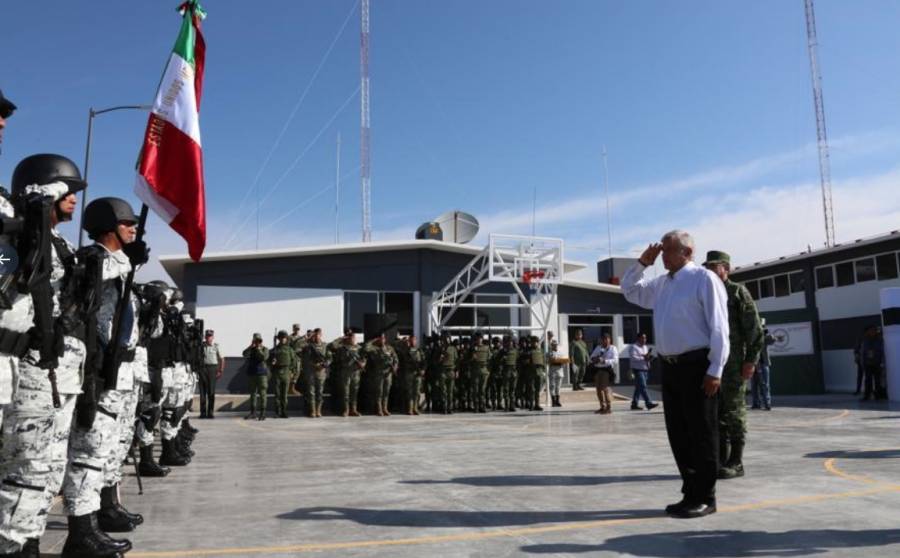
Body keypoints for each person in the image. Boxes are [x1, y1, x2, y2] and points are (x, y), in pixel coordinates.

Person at [0, 156, 96, 558]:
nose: (74, 199)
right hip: (24, 366)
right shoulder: (17, 232)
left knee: (44, 467)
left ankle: (28, 542)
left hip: (51, 368)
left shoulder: (58, 244)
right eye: (68, 191)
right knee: (26, 468)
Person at [61, 196, 149, 555]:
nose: (134, 228)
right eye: (128, 223)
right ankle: (81, 530)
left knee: (107, 447)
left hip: (120, 370)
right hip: (97, 371)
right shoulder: (95, 261)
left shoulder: (120, 267)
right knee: (88, 450)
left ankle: (98, 514)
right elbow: (95, 319)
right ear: (109, 226)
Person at [621, 230, 729, 519]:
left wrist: (715, 369)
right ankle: (690, 492)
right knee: (679, 434)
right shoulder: (662, 284)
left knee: (702, 433)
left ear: (688, 253)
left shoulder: (704, 280)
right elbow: (630, 291)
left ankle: (706, 496)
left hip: (697, 366)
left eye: (668, 251)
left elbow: (719, 328)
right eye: (662, 250)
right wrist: (642, 264)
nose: (663, 256)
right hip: (670, 366)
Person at [703, 251, 763, 481]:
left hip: (735, 362)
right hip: (712, 362)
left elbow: (754, 330)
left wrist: (751, 360)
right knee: (716, 411)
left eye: (713, 266)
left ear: (726, 268)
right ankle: (720, 460)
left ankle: (736, 461)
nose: (709, 270)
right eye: (707, 266)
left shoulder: (737, 292)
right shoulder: (707, 293)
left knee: (734, 410)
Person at [366, 333, 398, 416]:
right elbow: (366, 348)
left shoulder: (389, 348)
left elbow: (395, 359)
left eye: (383, 338)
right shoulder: (374, 348)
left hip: (388, 373)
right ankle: (379, 409)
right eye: (380, 338)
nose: (382, 340)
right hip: (378, 373)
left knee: (386, 392)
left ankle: (385, 408)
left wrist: (395, 366)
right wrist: (373, 340)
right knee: (379, 392)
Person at [301, 328, 331, 418]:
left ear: (321, 335)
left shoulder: (325, 346)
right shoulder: (309, 346)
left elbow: (329, 357)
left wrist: (324, 364)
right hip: (311, 371)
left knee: (320, 392)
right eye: (315, 335)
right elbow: (305, 357)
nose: (316, 336)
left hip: (321, 372)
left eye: (318, 335)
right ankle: (313, 411)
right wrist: (314, 364)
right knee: (311, 392)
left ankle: (319, 410)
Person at [269, 330, 298, 418]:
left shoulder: (290, 350)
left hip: (286, 372)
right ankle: (278, 411)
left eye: (284, 338)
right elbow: (268, 361)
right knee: (277, 394)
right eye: (281, 338)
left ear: (286, 339)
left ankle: (284, 411)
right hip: (277, 372)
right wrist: (272, 362)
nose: (283, 340)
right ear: (278, 339)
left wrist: (292, 372)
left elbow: (294, 361)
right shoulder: (274, 350)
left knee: (284, 394)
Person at [242, 333, 269, 420]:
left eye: (259, 340)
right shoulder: (251, 349)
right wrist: (251, 346)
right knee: (253, 393)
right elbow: (244, 354)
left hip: (262, 374)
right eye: (255, 340)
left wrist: (259, 349)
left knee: (262, 394)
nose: (257, 342)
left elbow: (264, 357)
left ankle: (263, 412)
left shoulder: (265, 349)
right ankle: (253, 412)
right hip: (252, 373)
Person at [397, 335, 426, 415]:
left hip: (418, 373)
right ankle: (410, 408)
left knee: (416, 392)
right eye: (411, 340)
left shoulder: (419, 350)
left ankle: (415, 408)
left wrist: (423, 370)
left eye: (414, 340)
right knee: (409, 392)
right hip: (409, 373)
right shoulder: (406, 351)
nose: (413, 342)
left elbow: (424, 361)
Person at [628, 333, 658, 411]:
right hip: (637, 370)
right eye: (642, 338)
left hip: (645, 369)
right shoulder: (633, 347)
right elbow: (633, 358)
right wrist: (643, 357)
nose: (644, 340)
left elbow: (646, 357)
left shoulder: (645, 347)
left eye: (645, 338)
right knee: (643, 386)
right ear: (638, 338)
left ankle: (634, 404)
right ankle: (648, 403)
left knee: (639, 388)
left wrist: (649, 360)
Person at [590, 334, 618, 414]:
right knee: (598, 389)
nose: (604, 341)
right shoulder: (598, 347)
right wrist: (595, 359)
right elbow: (591, 357)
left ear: (610, 339)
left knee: (605, 388)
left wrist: (605, 361)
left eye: (606, 339)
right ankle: (602, 406)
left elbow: (615, 360)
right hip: (598, 370)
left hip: (606, 370)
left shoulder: (613, 348)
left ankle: (608, 407)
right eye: (603, 339)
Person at [198, 329, 223, 418]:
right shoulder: (201, 346)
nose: (208, 338)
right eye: (207, 336)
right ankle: (203, 412)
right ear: (205, 337)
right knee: (202, 392)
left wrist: (220, 370)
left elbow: (222, 359)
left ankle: (210, 412)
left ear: (213, 337)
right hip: (203, 369)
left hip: (213, 369)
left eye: (210, 336)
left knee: (211, 392)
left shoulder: (216, 346)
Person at [751, 325, 776, 410]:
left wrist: (765, 332)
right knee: (754, 385)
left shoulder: (764, 338)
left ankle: (767, 404)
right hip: (753, 364)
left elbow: (772, 340)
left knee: (765, 384)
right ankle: (756, 403)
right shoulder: (752, 337)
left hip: (763, 363)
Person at [859, 325, 886, 401]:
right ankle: (867, 395)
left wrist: (881, 362)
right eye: (870, 331)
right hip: (868, 363)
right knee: (868, 380)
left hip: (876, 362)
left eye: (873, 331)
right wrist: (862, 363)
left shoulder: (879, 340)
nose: (872, 332)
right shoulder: (865, 340)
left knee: (877, 380)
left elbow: (881, 351)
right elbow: (863, 352)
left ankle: (878, 395)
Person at [469, 335, 492, 413]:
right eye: (477, 339)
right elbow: (467, 360)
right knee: (475, 390)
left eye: (480, 339)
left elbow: (490, 359)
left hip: (484, 370)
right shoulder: (472, 348)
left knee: (482, 390)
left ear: (482, 339)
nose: (479, 340)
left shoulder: (486, 348)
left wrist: (488, 371)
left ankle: (482, 406)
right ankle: (476, 406)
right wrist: (472, 356)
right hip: (475, 371)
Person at [499, 335, 519, 412]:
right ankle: (507, 405)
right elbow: (497, 361)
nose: (510, 343)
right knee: (506, 389)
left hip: (513, 372)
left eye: (511, 342)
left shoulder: (515, 351)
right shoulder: (502, 351)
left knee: (513, 390)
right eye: (508, 342)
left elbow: (518, 361)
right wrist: (502, 358)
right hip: (506, 372)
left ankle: (512, 405)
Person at [547, 340, 566, 407]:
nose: (555, 346)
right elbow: (548, 361)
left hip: (559, 370)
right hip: (552, 370)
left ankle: (557, 401)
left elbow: (564, 361)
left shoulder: (560, 352)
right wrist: (553, 361)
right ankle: (553, 401)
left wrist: (562, 362)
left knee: (558, 387)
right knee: (552, 386)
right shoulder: (549, 353)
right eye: (553, 345)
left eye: (556, 345)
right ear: (551, 345)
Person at [288, 323, 305, 396]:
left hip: (298, 358)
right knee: (291, 373)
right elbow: (287, 347)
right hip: (291, 358)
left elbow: (304, 346)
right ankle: (288, 388)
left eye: (298, 329)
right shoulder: (289, 337)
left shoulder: (302, 338)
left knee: (297, 372)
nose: (297, 330)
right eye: (295, 329)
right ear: (293, 329)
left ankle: (292, 388)